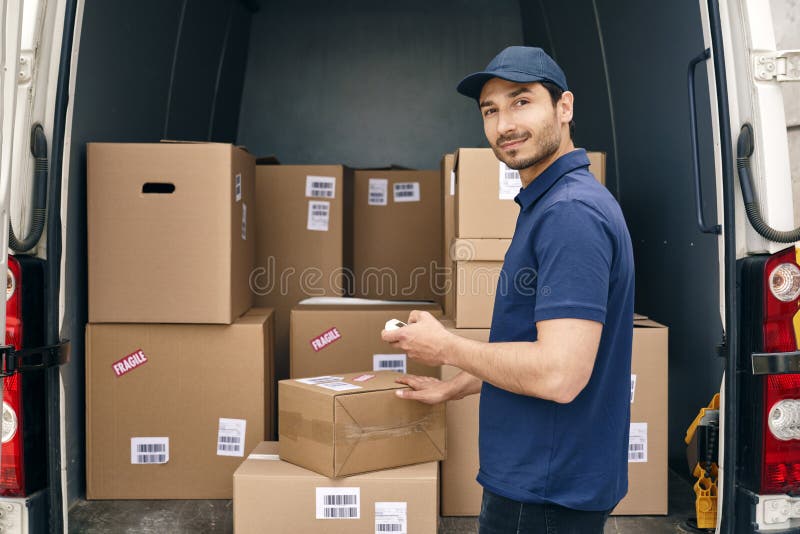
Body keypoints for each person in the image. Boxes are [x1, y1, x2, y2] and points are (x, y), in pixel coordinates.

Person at [381, 46, 635, 533]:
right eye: (490, 110)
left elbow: (559, 374)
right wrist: (460, 384)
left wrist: (447, 347)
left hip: (544, 489)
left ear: (564, 108)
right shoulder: (553, 203)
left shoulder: (569, 215)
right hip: (548, 478)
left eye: (521, 102)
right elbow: (539, 346)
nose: (504, 125)